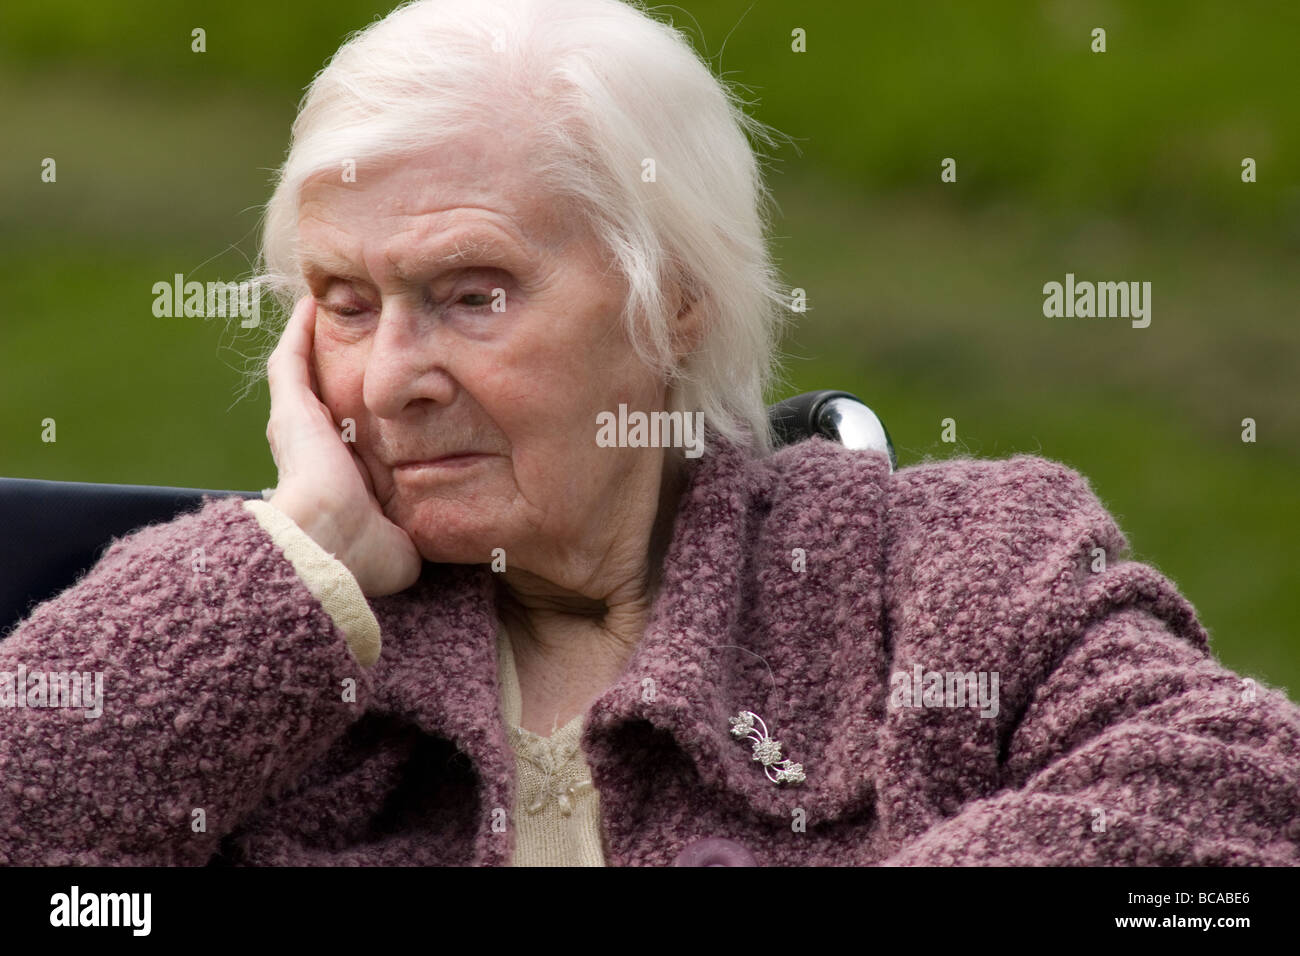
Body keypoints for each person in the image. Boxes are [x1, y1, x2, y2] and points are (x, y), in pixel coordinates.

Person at [2, 0, 1297, 867]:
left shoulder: (958, 573)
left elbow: (1239, 815)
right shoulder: (274, 665)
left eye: (471, 294)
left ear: (672, 303)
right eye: (346, 304)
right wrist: (293, 562)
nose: (393, 378)